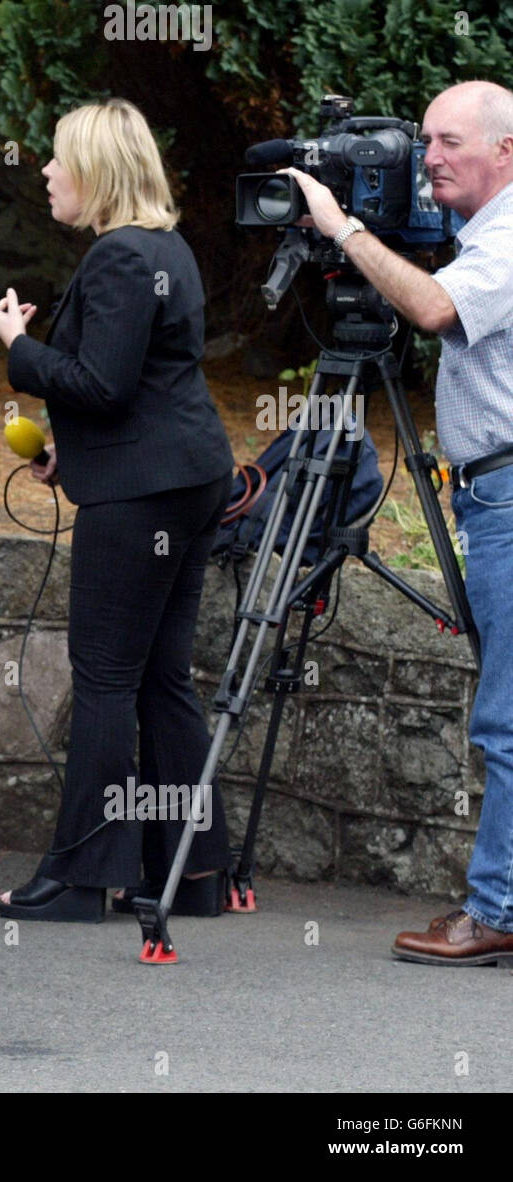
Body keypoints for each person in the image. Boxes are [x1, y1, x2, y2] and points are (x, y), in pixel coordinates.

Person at [0, 98, 234, 922]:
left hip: (143, 495)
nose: (46, 172)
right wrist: (69, 452)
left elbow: (102, 382)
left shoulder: (122, 255)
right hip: (185, 478)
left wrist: (19, 349)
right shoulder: (166, 247)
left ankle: (82, 879)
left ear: (97, 172)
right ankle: (191, 873)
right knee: (162, 678)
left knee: (107, 680)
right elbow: (143, 386)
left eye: (59, 160)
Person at [282, 81, 513, 966]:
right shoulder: (476, 238)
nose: (431, 157)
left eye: (450, 141)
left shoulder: (501, 242)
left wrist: (344, 228)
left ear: (503, 151)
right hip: (490, 495)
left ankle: (495, 908)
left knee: (504, 720)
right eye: (425, 141)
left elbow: (432, 310)